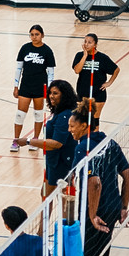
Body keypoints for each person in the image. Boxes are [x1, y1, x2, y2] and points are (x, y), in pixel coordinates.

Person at [69, 101, 129, 256]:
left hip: (94, 215)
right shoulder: (110, 142)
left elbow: (94, 183)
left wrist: (91, 215)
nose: (70, 130)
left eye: (72, 126)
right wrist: (123, 207)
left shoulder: (83, 148)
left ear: (84, 126)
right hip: (112, 209)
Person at [16, 80, 79, 196]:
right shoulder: (59, 112)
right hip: (53, 161)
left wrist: (29, 141)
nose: (51, 96)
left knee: (64, 196)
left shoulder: (65, 116)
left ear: (64, 95)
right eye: (50, 93)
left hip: (62, 161)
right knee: (45, 194)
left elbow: (56, 143)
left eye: (55, 93)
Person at [12, 24, 56, 152]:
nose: (34, 37)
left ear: (42, 35)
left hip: (40, 87)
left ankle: (35, 140)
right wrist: (16, 86)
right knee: (20, 114)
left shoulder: (47, 51)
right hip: (25, 86)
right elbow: (18, 69)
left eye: (37, 34)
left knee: (38, 114)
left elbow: (51, 72)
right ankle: (16, 140)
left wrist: (49, 89)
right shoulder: (25, 48)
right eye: (32, 34)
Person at [72, 33, 119, 130]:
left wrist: (109, 83)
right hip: (82, 93)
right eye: (85, 42)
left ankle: (95, 139)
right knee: (81, 121)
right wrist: (85, 56)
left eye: (89, 42)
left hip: (98, 94)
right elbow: (77, 70)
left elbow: (116, 69)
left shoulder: (102, 58)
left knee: (94, 121)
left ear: (95, 44)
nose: (86, 44)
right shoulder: (79, 55)